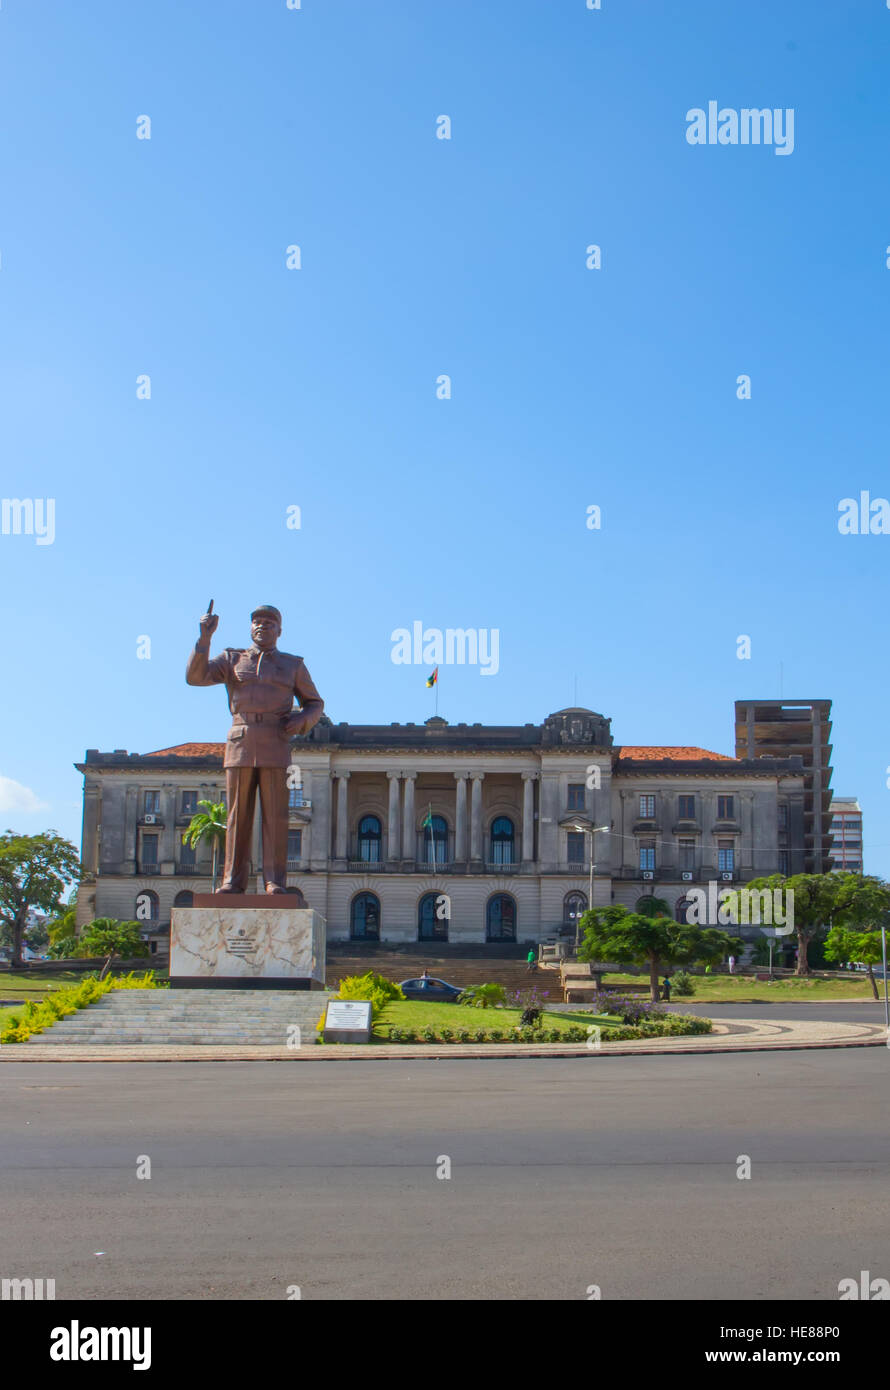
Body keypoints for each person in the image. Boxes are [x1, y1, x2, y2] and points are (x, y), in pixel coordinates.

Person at [186, 603, 324, 893]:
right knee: (238, 815)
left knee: (276, 816)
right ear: (250, 628)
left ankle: (274, 881)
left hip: (276, 740)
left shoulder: (292, 665)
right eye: (257, 621)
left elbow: (315, 703)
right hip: (241, 740)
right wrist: (204, 639)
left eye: (269, 622)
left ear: (280, 631)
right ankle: (232, 882)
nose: (262, 626)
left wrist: (301, 721)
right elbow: (195, 678)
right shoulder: (231, 658)